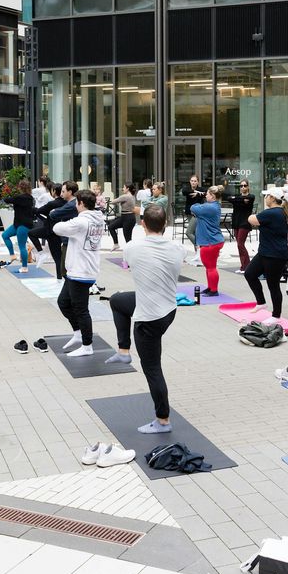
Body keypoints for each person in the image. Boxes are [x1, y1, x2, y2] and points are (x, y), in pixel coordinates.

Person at [105, 204, 188, 433]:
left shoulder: (132, 247)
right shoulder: (178, 249)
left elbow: (130, 265)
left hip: (149, 318)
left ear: (143, 224)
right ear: (166, 225)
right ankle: (123, 351)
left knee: (153, 369)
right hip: (168, 310)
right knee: (117, 300)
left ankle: (163, 420)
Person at [51, 189, 105, 356]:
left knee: (81, 309)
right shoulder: (97, 219)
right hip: (78, 270)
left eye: (76, 202)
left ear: (81, 203)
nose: (75, 205)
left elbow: (57, 228)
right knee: (63, 302)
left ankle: (87, 345)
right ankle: (78, 333)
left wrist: (62, 216)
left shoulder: (81, 222)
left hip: (81, 272)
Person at [246, 189, 288, 323]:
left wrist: (251, 215)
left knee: (273, 285)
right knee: (249, 274)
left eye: (266, 196)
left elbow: (251, 219)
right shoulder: (278, 212)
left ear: (272, 198)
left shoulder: (273, 213)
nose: (265, 198)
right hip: (265, 252)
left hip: (275, 255)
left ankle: (276, 316)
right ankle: (261, 302)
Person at [191, 185, 226, 295]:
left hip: (210, 241)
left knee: (211, 267)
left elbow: (193, 208)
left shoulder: (210, 207)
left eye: (207, 194)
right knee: (209, 266)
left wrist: (198, 206)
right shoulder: (213, 206)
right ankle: (211, 287)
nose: (205, 195)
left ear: (213, 196)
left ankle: (214, 290)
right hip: (213, 240)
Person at [45, 181, 80, 278]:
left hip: (69, 240)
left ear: (70, 192)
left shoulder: (70, 205)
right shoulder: (74, 203)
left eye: (63, 192)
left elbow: (53, 214)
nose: (61, 194)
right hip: (73, 238)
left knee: (65, 270)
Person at [2, 178, 37, 273]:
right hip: (18, 224)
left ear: (20, 187)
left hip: (23, 225)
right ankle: (12, 255)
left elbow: (6, 200)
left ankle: (24, 267)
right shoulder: (31, 198)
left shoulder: (20, 198)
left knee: (22, 246)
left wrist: (9, 193)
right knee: (5, 235)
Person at [28, 183, 63, 267]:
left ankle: (41, 253)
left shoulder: (52, 203)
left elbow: (39, 211)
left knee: (57, 257)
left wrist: (32, 209)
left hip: (50, 230)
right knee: (58, 258)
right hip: (60, 230)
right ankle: (60, 278)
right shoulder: (66, 203)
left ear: (54, 191)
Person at [230, 180, 256, 273]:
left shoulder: (251, 197)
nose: (243, 187)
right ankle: (243, 266)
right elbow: (229, 198)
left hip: (245, 223)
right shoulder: (238, 197)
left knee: (240, 244)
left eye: (245, 185)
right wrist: (240, 200)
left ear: (248, 186)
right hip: (236, 222)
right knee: (239, 245)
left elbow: (247, 199)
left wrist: (236, 200)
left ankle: (247, 267)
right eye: (241, 186)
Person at [181, 174, 205, 261]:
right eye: (192, 181)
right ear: (190, 182)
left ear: (198, 182)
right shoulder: (188, 189)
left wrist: (197, 194)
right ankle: (198, 254)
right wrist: (196, 193)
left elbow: (204, 193)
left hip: (197, 214)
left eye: (195, 181)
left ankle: (201, 249)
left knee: (189, 232)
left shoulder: (201, 189)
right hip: (189, 213)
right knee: (195, 233)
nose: (193, 182)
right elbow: (184, 192)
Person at [108, 183, 138, 250]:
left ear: (127, 189)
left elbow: (113, 201)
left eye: (124, 187)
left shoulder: (125, 196)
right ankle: (116, 244)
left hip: (128, 218)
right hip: (126, 217)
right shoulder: (132, 196)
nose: (122, 189)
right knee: (111, 226)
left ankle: (131, 254)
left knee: (128, 239)